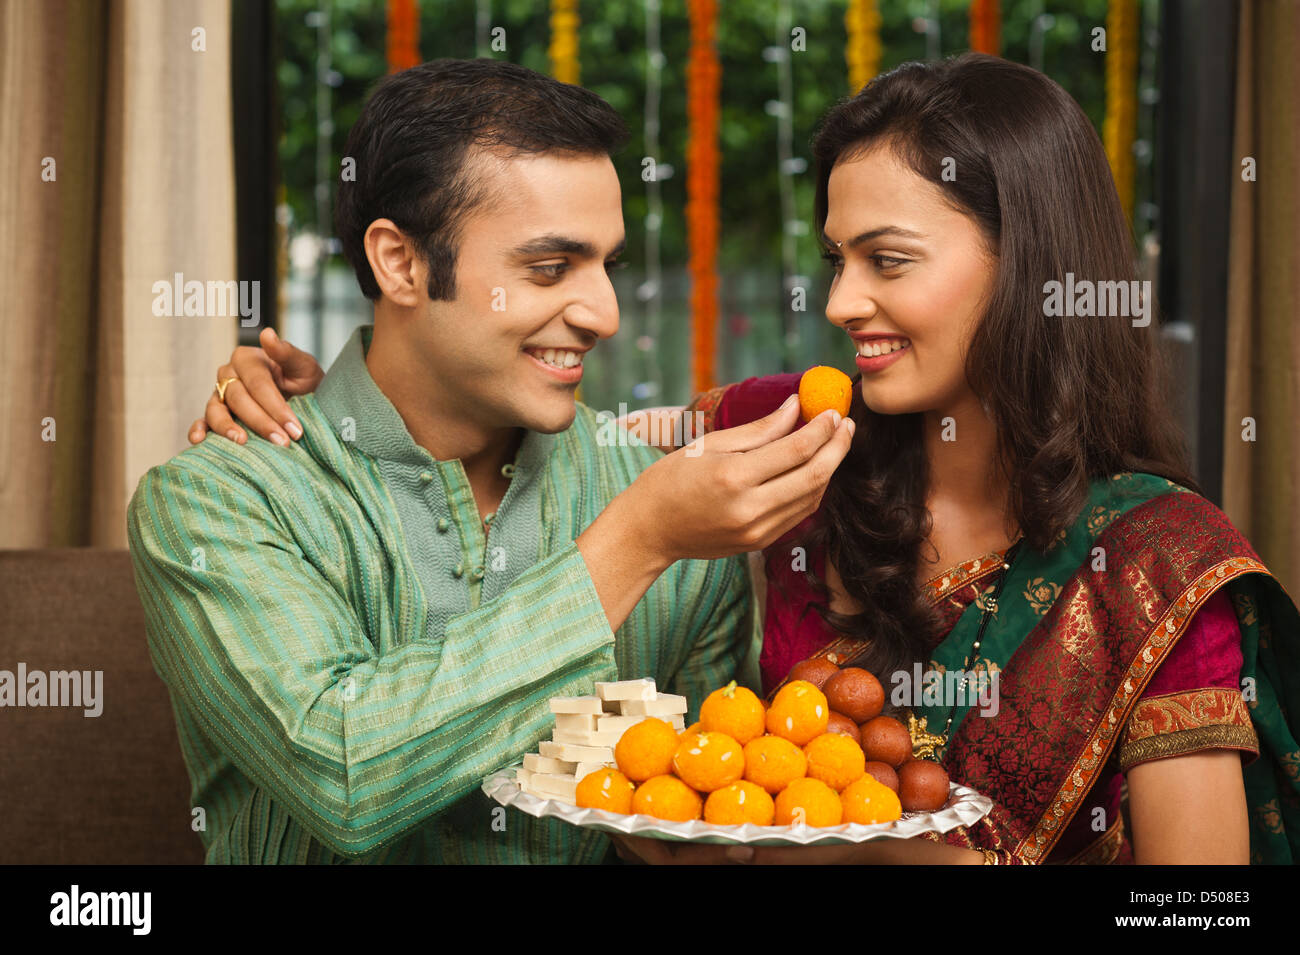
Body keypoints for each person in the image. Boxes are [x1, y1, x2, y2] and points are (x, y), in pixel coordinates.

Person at [201, 54, 1300, 866]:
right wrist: (303, 391)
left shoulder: (1156, 561)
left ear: (1029, 269)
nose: (835, 303)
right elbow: (531, 427)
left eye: (887, 260)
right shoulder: (784, 450)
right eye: (835, 258)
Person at [127, 58, 855, 864]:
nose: (604, 314)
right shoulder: (217, 503)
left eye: (606, 266)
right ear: (399, 262)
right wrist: (635, 543)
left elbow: (702, 821)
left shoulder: (681, 515)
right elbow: (343, 774)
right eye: (549, 268)